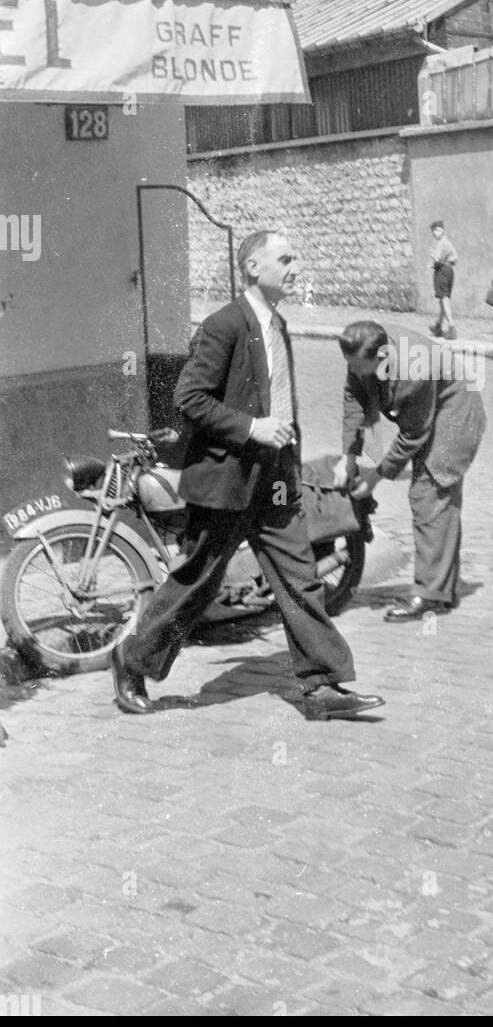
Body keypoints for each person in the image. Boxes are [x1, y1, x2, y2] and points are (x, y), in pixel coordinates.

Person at [110, 230, 384, 721]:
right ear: (253, 267)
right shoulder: (225, 324)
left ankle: (322, 686)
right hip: (226, 480)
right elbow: (189, 400)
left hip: (274, 482)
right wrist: (251, 427)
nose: (295, 265)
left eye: (295, 256)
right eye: (285, 258)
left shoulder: (277, 325)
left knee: (300, 579)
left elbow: (280, 402)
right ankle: (131, 662)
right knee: (198, 582)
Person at [334, 321, 486, 622]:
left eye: (362, 368)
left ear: (382, 356)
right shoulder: (361, 352)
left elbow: (413, 434)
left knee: (429, 495)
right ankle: (443, 587)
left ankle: (431, 596)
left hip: (454, 416)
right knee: (437, 502)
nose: (356, 372)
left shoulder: (412, 368)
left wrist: (376, 476)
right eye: (352, 366)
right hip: (434, 410)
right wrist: (348, 457)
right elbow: (354, 400)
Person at [428, 219, 457, 340]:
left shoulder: (440, 243)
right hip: (449, 270)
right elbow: (455, 257)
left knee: (444, 299)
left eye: (437, 230)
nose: (435, 233)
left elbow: (436, 259)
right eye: (433, 231)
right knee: (442, 300)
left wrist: (432, 255)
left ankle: (452, 327)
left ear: (443, 230)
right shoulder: (448, 242)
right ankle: (438, 326)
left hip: (442, 271)